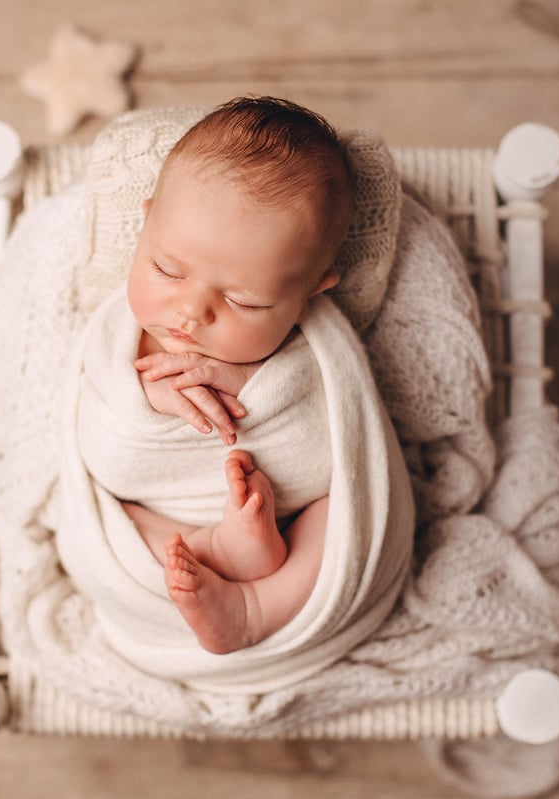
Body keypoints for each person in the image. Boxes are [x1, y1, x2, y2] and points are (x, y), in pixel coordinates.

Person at [90, 96, 357, 655]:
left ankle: (255, 608)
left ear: (311, 290)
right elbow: (94, 423)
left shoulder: (314, 346)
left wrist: (249, 387)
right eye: (166, 269)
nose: (191, 311)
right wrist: (143, 396)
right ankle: (213, 547)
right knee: (103, 518)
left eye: (245, 301)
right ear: (145, 224)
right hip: (158, 516)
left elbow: (334, 425)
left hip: (289, 515)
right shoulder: (116, 333)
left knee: (351, 514)